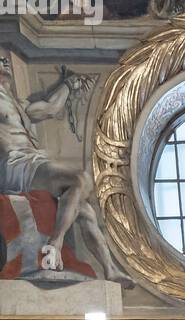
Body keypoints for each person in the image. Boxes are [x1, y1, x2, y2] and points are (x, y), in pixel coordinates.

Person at [0, 55, 129, 284]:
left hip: (31, 161)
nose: (5, 62)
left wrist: (69, 85)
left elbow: (50, 108)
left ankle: (109, 269)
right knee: (78, 179)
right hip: (13, 165)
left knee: (84, 208)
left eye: (5, 59)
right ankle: (55, 243)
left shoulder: (19, 104)